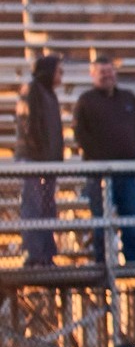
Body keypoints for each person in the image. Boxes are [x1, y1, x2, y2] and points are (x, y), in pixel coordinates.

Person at [73, 56, 135, 264]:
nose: (107, 76)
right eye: (102, 72)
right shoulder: (86, 101)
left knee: (131, 221)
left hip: (127, 172)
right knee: (101, 222)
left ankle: (134, 262)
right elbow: (80, 134)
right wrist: (97, 159)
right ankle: (102, 263)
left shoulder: (128, 98)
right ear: (93, 75)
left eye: (110, 71)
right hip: (99, 175)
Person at [14, 54, 65, 266]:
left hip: (46, 162)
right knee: (34, 207)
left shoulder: (47, 93)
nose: (61, 75)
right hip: (35, 161)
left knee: (46, 208)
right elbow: (31, 128)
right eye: (59, 71)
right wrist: (42, 157)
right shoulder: (33, 90)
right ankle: (35, 254)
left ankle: (46, 253)